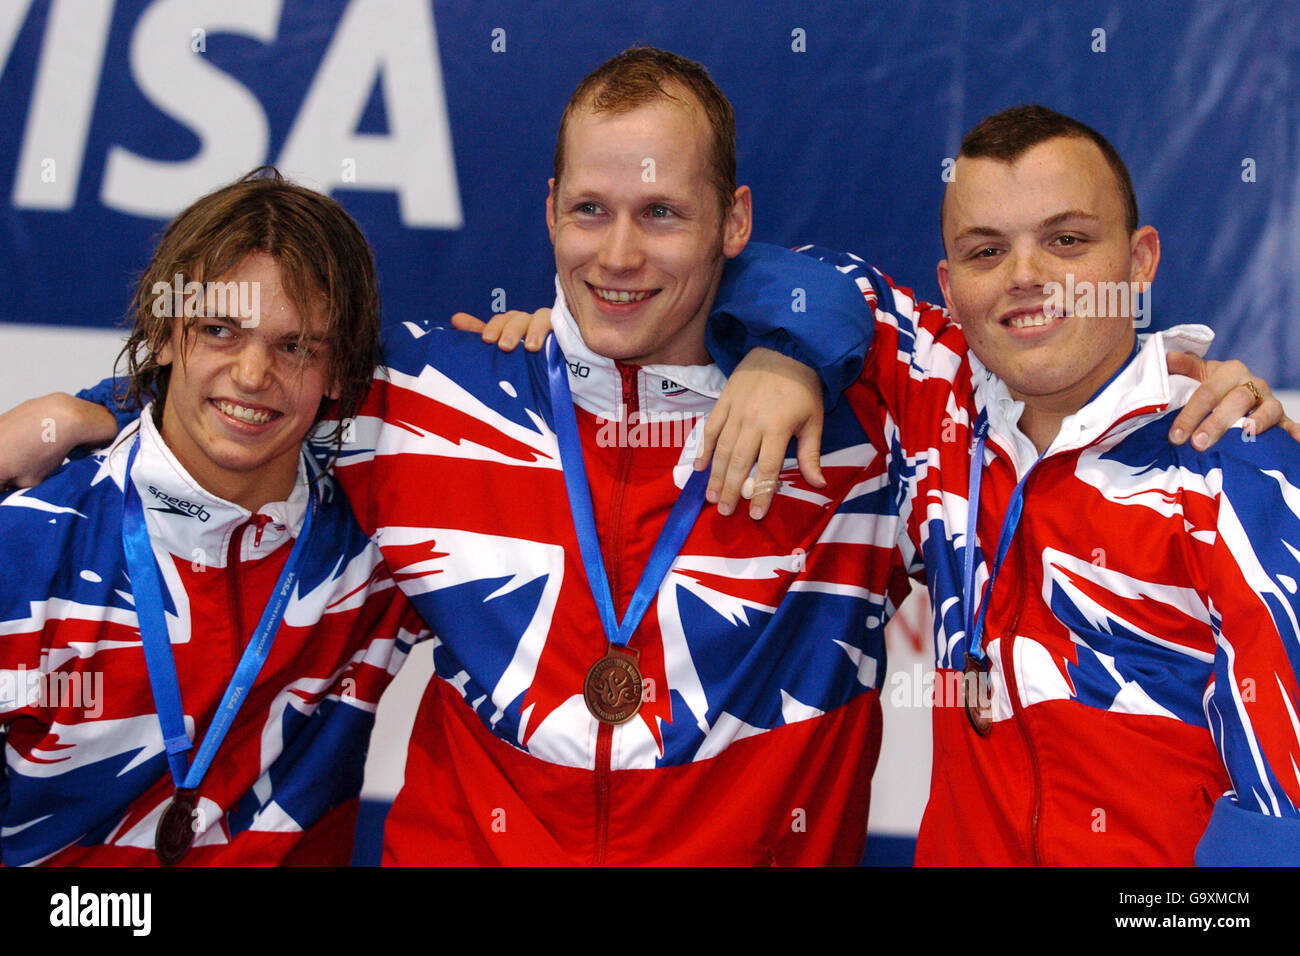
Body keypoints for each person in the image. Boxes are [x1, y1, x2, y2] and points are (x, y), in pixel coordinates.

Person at [710, 105, 1300, 864]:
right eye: (987, 252)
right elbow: (763, 272)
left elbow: (1279, 826)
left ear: (1140, 261)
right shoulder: (936, 400)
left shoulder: (1235, 466)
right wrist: (787, 355)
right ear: (949, 288)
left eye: (1067, 241)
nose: (1026, 277)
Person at [0, 169, 424, 865]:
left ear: (341, 370)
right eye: (221, 330)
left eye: (296, 346)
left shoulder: (383, 544)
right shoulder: (26, 547)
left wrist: (548, 348)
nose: (254, 375)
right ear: (164, 334)